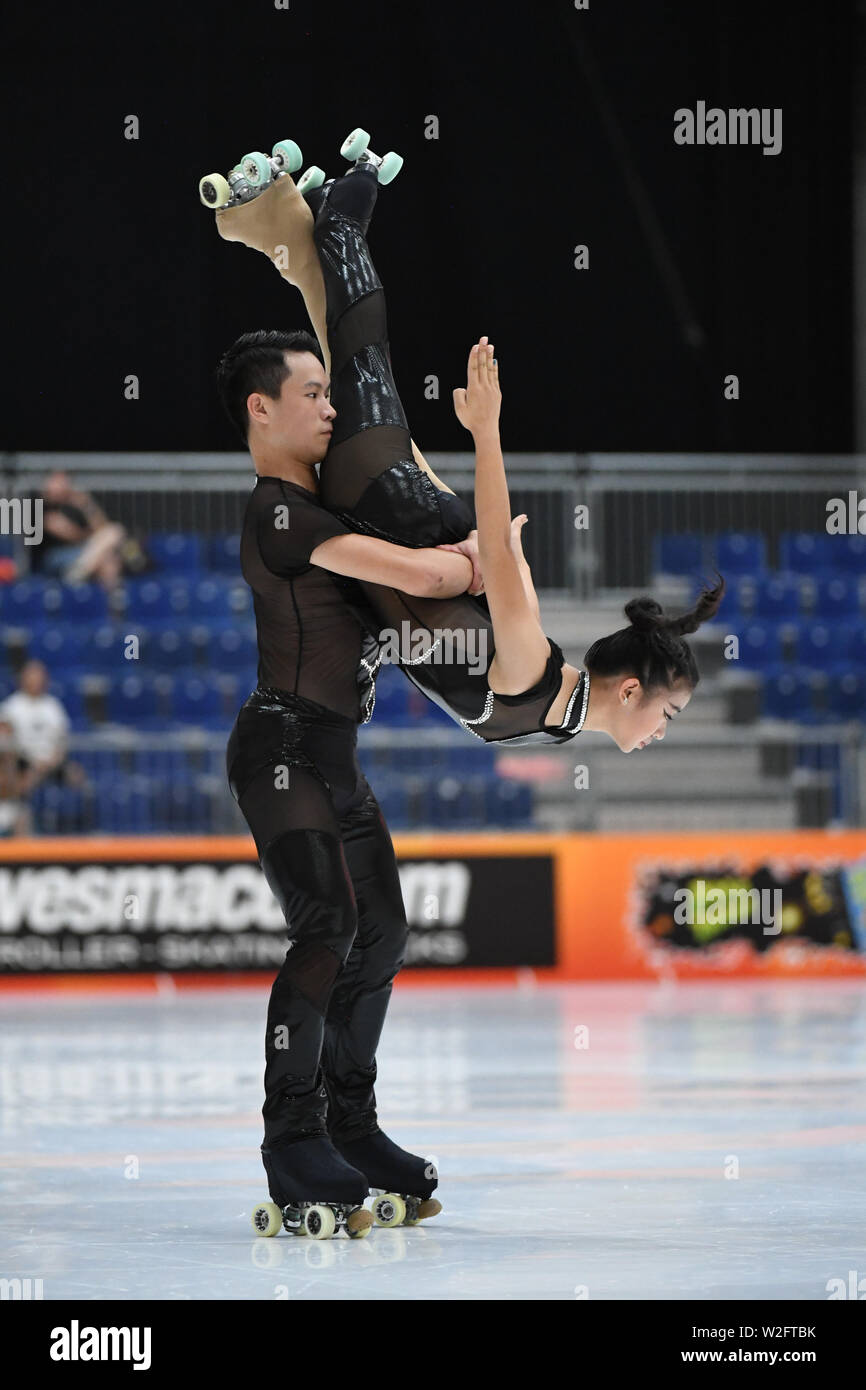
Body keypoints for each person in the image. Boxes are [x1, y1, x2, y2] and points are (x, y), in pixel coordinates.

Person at [218, 161, 724, 750]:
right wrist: (486, 434)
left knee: (355, 358)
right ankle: (333, 223)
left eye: (671, 715)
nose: (662, 732)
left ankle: (294, 230)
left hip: (398, 509)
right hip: (390, 501)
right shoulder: (531, 669)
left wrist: (480, 548)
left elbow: (498, 560)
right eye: (671, 714)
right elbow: (501, 551)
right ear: (632, 690)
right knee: (359, 356)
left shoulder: (547, 707)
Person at [215, 324, 469, 1232]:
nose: (330, 407)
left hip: (334, 757)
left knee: (385, 931)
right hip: (278, 748)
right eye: (313, 393)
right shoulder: (280, 514)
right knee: (327, 925)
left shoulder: (322, 504)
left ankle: (350, 1128)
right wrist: (476, 560)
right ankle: (291, 1138)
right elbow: (412, 569)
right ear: (262, 407)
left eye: (332, 391)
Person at [31, 471, 127, 590]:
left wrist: (86, 504)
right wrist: (95, 539)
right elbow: (72, 535)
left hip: (80, 553)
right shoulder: (43, 506)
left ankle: (79, 575)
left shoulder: (73, 506)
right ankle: (113, 599)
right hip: (54, 557)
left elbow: (101, 527)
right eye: (56, 481)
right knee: (110, 540)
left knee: (108, 556)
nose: (61, 485)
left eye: (64, 481)